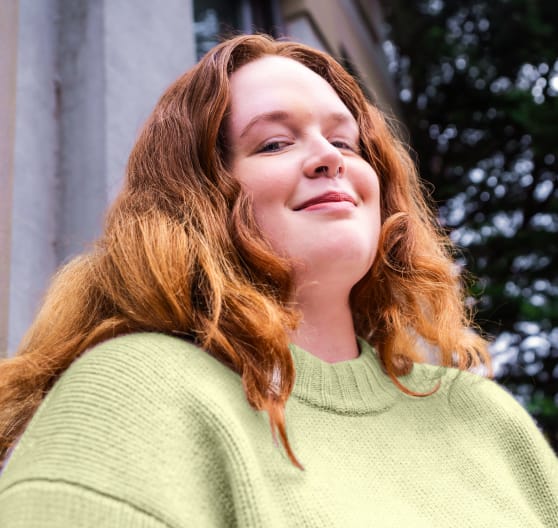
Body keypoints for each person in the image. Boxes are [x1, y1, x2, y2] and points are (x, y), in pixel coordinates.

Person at [0, 34, 556, 527]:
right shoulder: (135, 391)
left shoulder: (486, 419)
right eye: (274, 143)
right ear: (199, 200)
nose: (328, 159)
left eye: (345, 142)